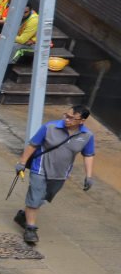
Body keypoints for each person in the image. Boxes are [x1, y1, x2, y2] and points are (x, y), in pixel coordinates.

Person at [14, 104, 95, 245]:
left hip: (60, 174)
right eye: (66, 115)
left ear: (81, 121)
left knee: (44, 198)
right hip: (39, 169)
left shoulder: (87, 136)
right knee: (35, 195)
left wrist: (89, 176)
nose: (66, 119)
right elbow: (33, 145)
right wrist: (22, 162)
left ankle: (24, 216)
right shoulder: (49, 127)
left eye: (71, 118)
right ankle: (30, 229)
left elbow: (88, 155)